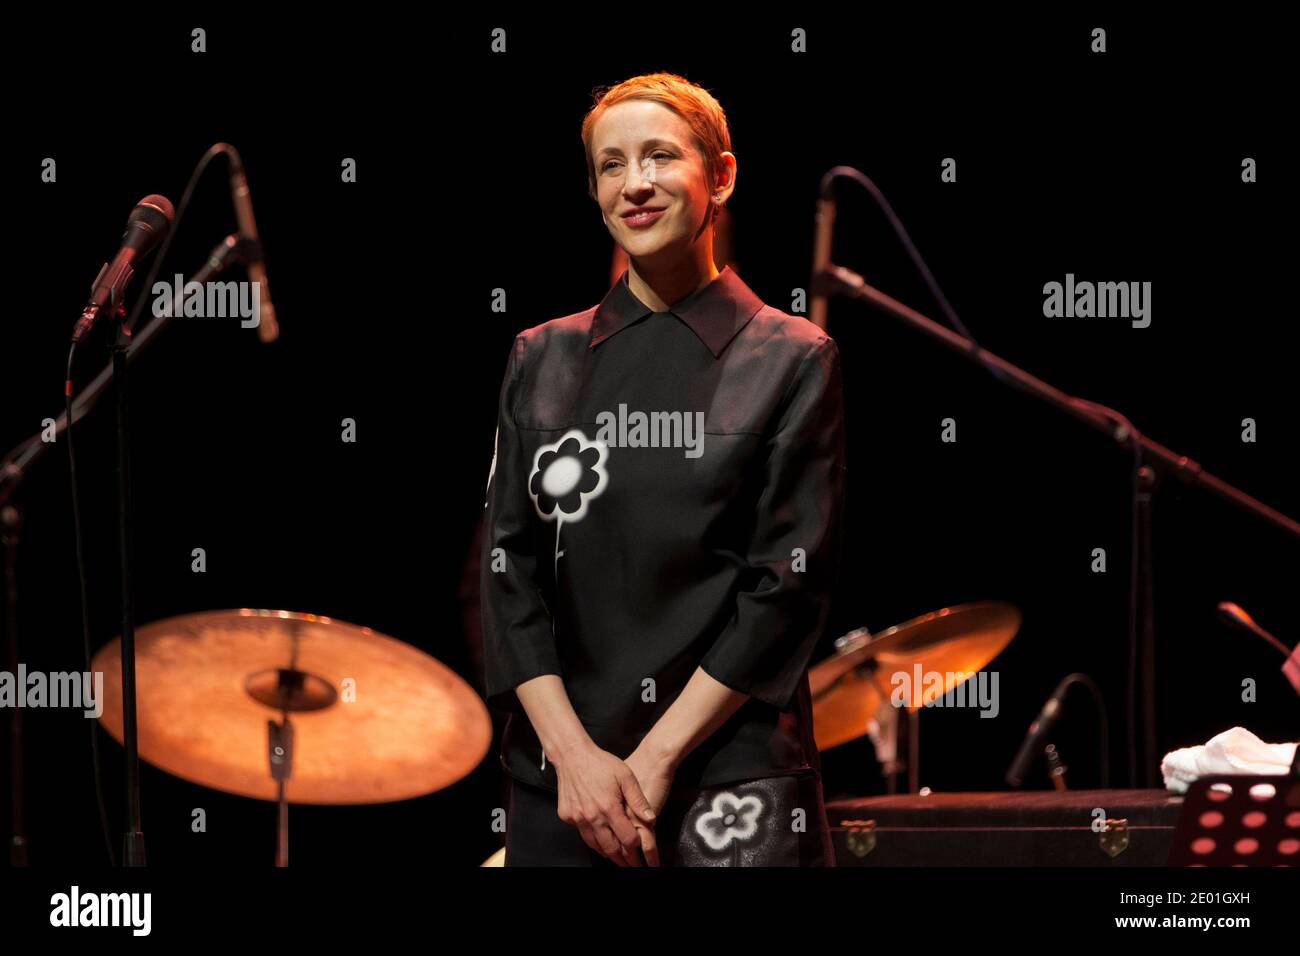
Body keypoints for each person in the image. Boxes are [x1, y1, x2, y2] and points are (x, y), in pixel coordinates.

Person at [481, 72, 846, 866]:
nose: (635, 184)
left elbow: (783, 588)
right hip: (563, 788)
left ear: (721, 176)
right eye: (611, 166)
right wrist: (574, 759)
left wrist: (653, 761)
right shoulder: (540, 357)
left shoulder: (791, 358)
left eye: (658, 157)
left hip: (729, 788)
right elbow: (508, 577)